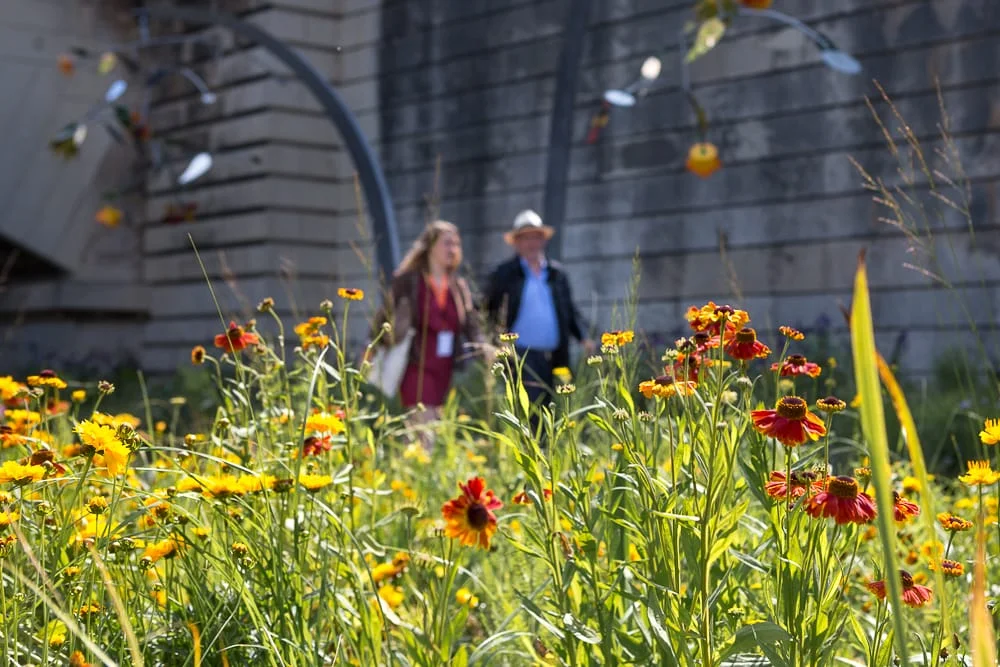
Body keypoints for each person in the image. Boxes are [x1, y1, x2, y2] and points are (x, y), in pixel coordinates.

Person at [373, 220, 486, 450]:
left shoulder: (457, 285)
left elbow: (471, 323)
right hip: (416, 363)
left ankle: (408, 471)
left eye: (456, 244)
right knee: (423, 422)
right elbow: (384, 315)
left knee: (426, 425)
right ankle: (416, 472)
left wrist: (486, 347)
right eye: (447, 243)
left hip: (444, 366)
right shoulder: (409, 280)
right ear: (430, 247)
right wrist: (371, 345)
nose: (453, 249)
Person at [485, 210, 594, 425]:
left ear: (543, 240)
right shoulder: (504, 273)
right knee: (531, 410)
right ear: (516, 242)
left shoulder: (556, 273)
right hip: (521, 354)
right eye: (525, 238)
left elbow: (569, 310)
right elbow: (489, 310)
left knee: (554, 407)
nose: (531, 243)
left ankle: (546, 451)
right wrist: (492, 342)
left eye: (535, 237)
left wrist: (583, 337)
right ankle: (534, 451)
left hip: (555, 353)